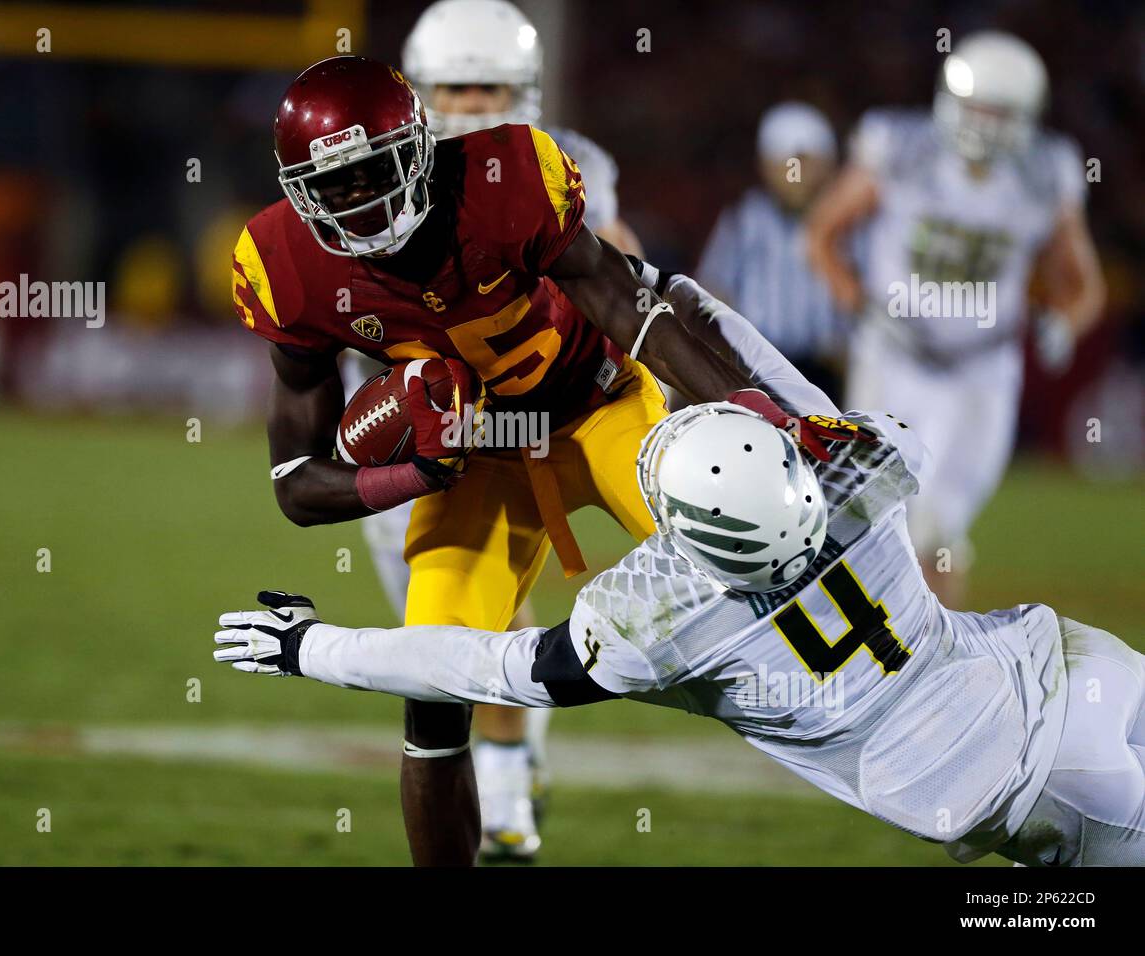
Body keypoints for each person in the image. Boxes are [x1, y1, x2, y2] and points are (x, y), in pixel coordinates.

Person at [214, 273, 1145, 867]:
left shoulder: (665, 615)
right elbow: (767, 375)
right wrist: (663, 291)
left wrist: (310, 648)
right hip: (1072, 665)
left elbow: (474, 665)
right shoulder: (847, 462)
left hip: (1018, 790)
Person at [230, 55, 854, 865]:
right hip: (481, 455)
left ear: (418, 148)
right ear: (297, 189)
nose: (360, 199)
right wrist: (417, 474)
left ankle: (902, 704)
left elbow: (629, 303)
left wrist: (748, 408)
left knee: (776, 565)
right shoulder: (284, 267)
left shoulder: (505, 174)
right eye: (333, 184)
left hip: (600, 403)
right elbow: (295, 487)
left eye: (373, 170)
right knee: (430, 690)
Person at [342, 0, 647, 860]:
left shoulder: (563, 161)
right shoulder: (375, 159)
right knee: (425, 620)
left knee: (470, 621)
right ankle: (511, 761)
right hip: (411, 409)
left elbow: (612, 249)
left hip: (539, 403)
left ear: (529, 91)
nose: (474, 105)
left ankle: (508, 785)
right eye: (456, 87)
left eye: (493, 87)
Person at [807, 31, 1105, 607]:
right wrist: (855, 300)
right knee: (870, 512)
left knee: (940, 522)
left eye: (998, 113)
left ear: (1024, 116)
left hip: (980, 367)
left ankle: (935, 655)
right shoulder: (901, 146)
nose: (983, 125)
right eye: (974, 108)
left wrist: (1065, 323)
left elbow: (1082, 284)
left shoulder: (1045, 173)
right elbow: (822, 233)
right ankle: (879, 651)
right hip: (894, 355)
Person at [695, 101, 852, 401]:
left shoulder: (850, 223)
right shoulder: (745, 222)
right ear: (766, 166)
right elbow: (711, 295)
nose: (798, 173)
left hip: (831, 372)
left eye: (808, 162)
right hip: (760, 368)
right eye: (789, 162)